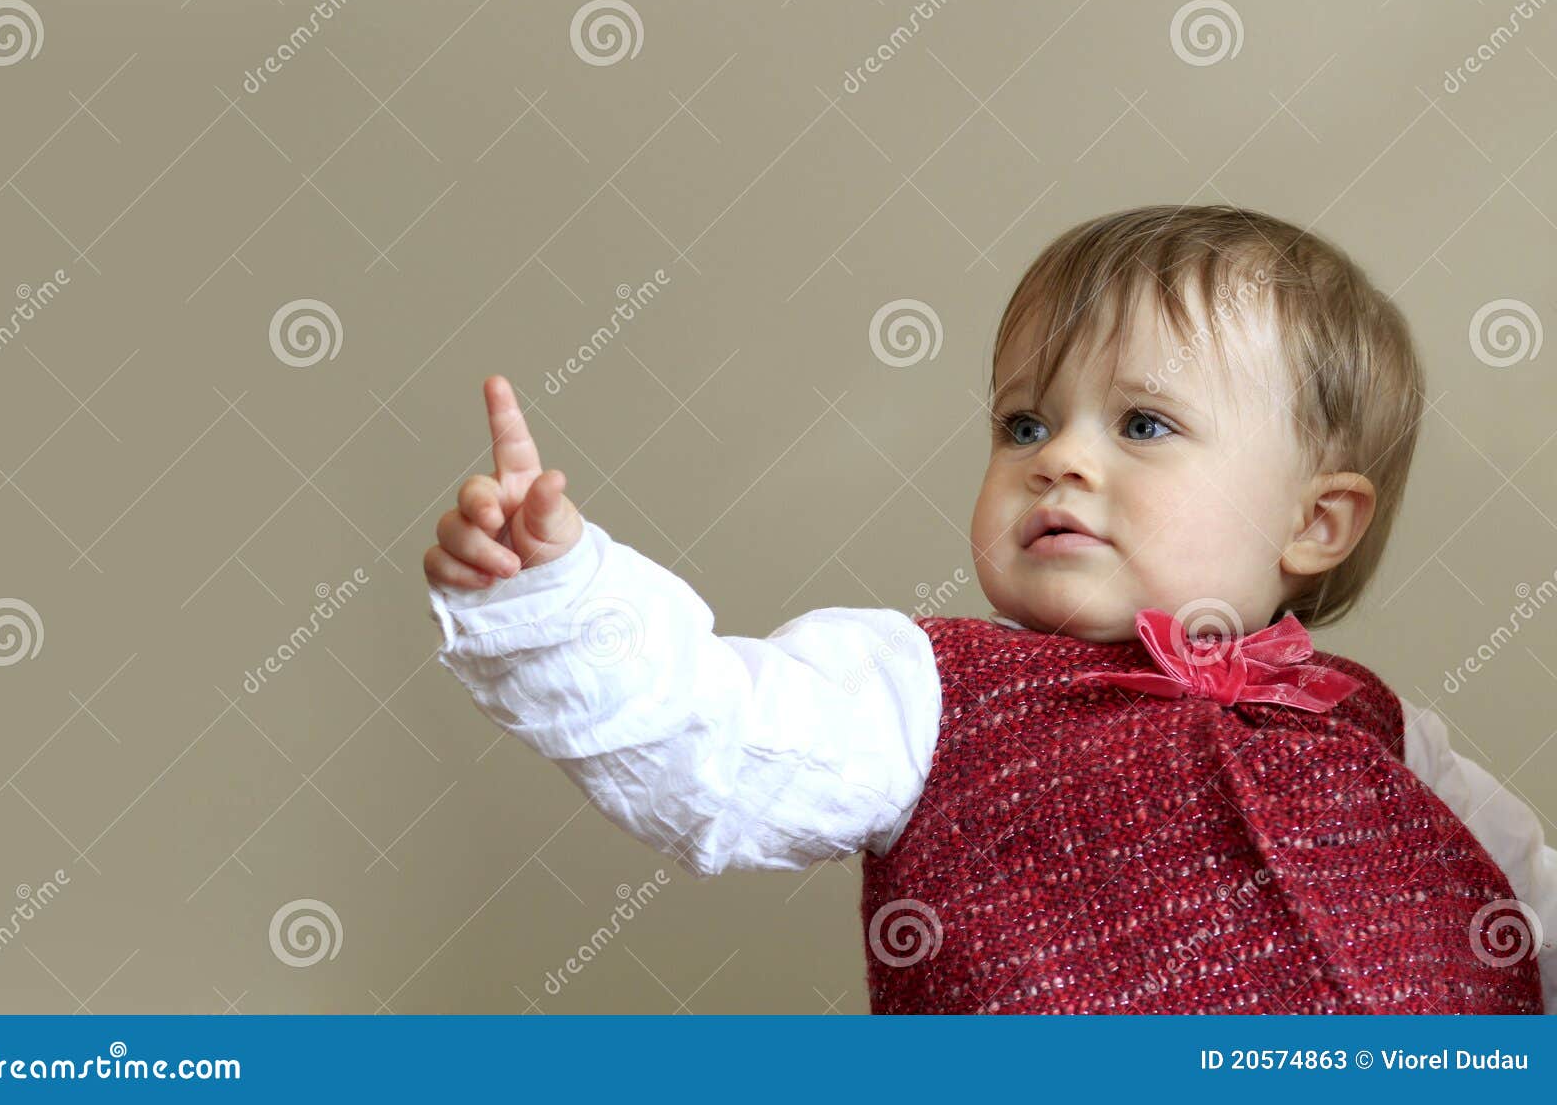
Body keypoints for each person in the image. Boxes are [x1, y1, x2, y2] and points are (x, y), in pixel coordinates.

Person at [422, 204, 1555, 1014]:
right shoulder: (918, 689)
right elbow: (709, 733)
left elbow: (1531, 920)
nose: (1058, 457)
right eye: (1023, 423)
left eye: (1143, 424)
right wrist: (557, 589)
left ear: (1317, 522)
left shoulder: (1390, 739)